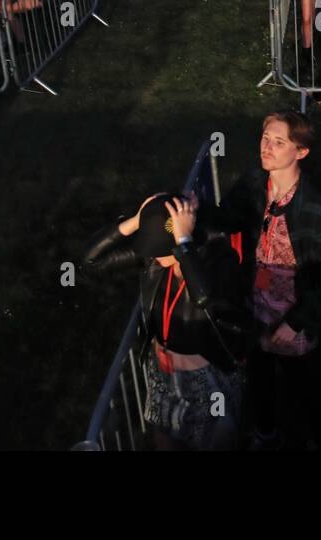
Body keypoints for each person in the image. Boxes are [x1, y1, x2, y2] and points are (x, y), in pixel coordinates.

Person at [210, 111, 321, 449]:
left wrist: (298, 322)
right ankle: (265, 431)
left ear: (301, 152)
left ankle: (319, 437)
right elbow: (225, 218)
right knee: (260, 376)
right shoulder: (254, 183)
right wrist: (190, 211)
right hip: (256, 303)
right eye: (265, 138)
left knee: (308, 384)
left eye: (279, 142)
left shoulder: (317, 209)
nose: (267, 147)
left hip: (295, 311)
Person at [83, 192, 252, 450]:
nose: (154, 257)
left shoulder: (218, 259)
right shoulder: (156, 259)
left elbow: (205, 297)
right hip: (162, 371)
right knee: (164, 434)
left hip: (208, 377)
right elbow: (91, 260)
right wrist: (135, 220)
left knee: (216, 440)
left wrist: (183, 244)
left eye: (161, 250)